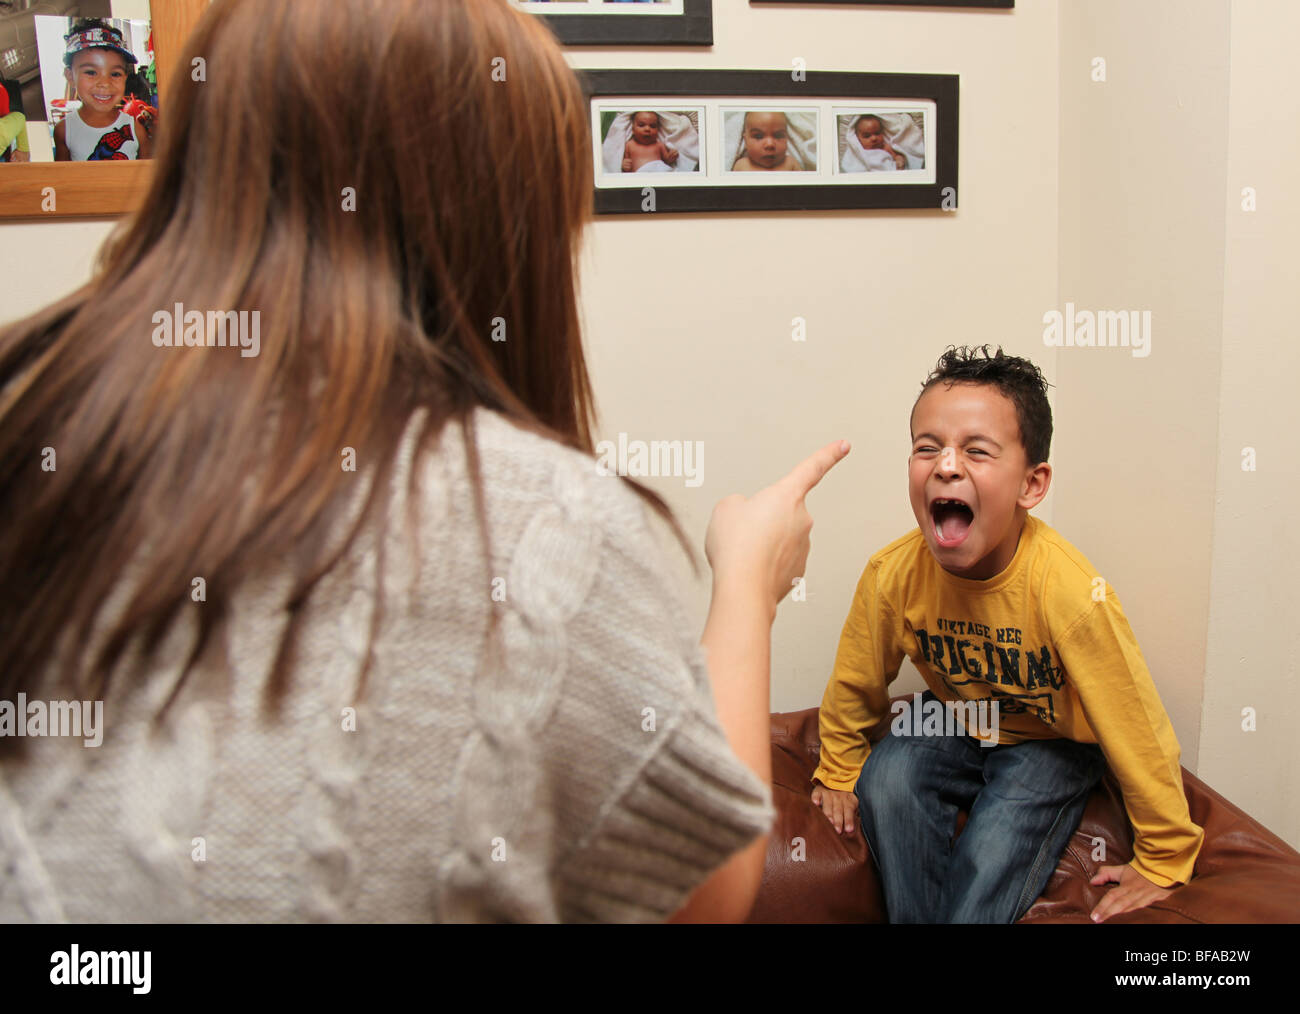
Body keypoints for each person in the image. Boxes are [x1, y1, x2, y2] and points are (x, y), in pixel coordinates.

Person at [0, 0, 848, 922]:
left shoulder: (30, 404)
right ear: (504, 227)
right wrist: (749, 581)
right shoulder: (541, 523)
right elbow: (706, 891)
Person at [810, 346, 1203, 923]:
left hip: (1051, 739)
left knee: (993, 847)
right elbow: (856, 681)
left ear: (1032, 484)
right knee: (888, 778)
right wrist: (840, 770)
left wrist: (1165, 854)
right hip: (960, 717)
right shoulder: (892, 575)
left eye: (976, 451)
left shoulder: (1069, 592)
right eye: (926, 447)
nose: (945, 465)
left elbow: (1135, 722)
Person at [52, 19, 155, 161]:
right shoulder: (64, 130)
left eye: (115, 74)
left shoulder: (136, 129)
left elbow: (149, 177)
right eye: (91, 72)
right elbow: (61, 179)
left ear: (125, 77)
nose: (105, 84)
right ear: (70, 76)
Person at [731, 111, 802, 172]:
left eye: (778, 135)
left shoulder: (791, 164)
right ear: (745, 141)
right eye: (758, 136)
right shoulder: (741, 165)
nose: (770, 144)